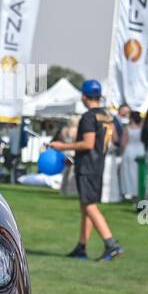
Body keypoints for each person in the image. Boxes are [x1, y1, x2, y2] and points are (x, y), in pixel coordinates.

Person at [51, 79, 123, 260]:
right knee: (86, 206)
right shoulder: (108, 116)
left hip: (88, 167)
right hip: (97, 164)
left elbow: (88, 143)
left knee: (89, 206)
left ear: (84, 96)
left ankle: (111, 244)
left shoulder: (89, 117)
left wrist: (62, 146)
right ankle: (81, 247)